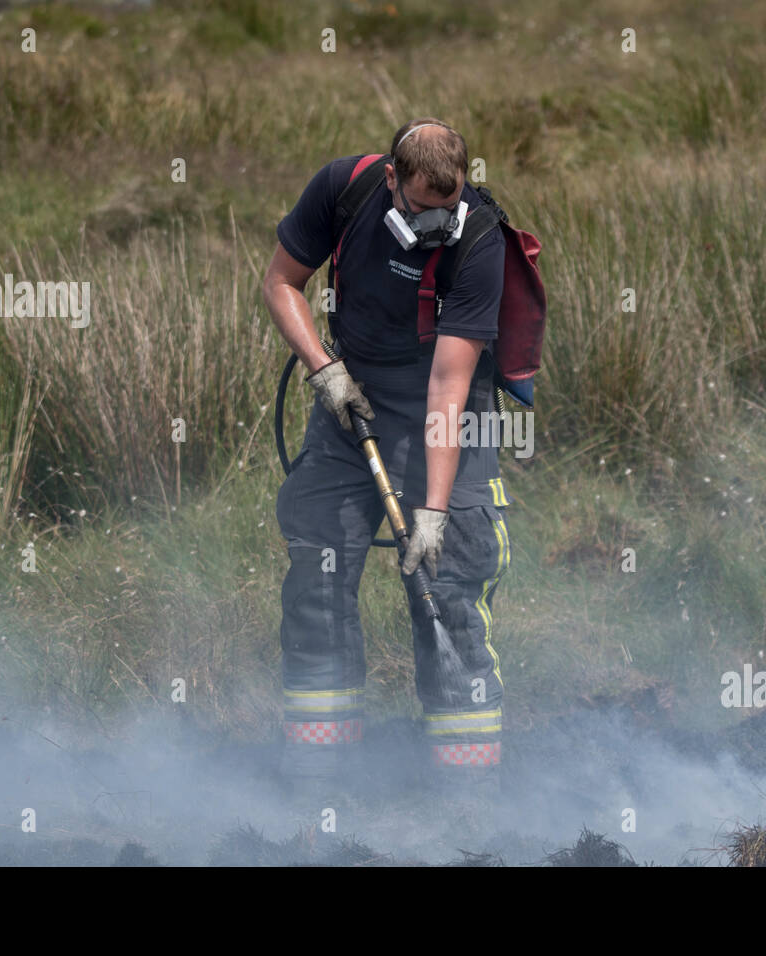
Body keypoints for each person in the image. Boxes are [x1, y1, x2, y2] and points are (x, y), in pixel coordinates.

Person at [262, 119, 510, 799]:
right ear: (393, 180)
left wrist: (432, 510)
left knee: (448, 579)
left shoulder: (482, 241)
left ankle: (466, 800)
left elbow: (448, 388)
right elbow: (281, 281)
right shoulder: (344, 188)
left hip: (439, 412)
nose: (435, 225)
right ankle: (320, 776)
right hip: (351, 399)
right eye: (419, 210)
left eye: (446, 208)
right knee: (317, 569)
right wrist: (325, 372)